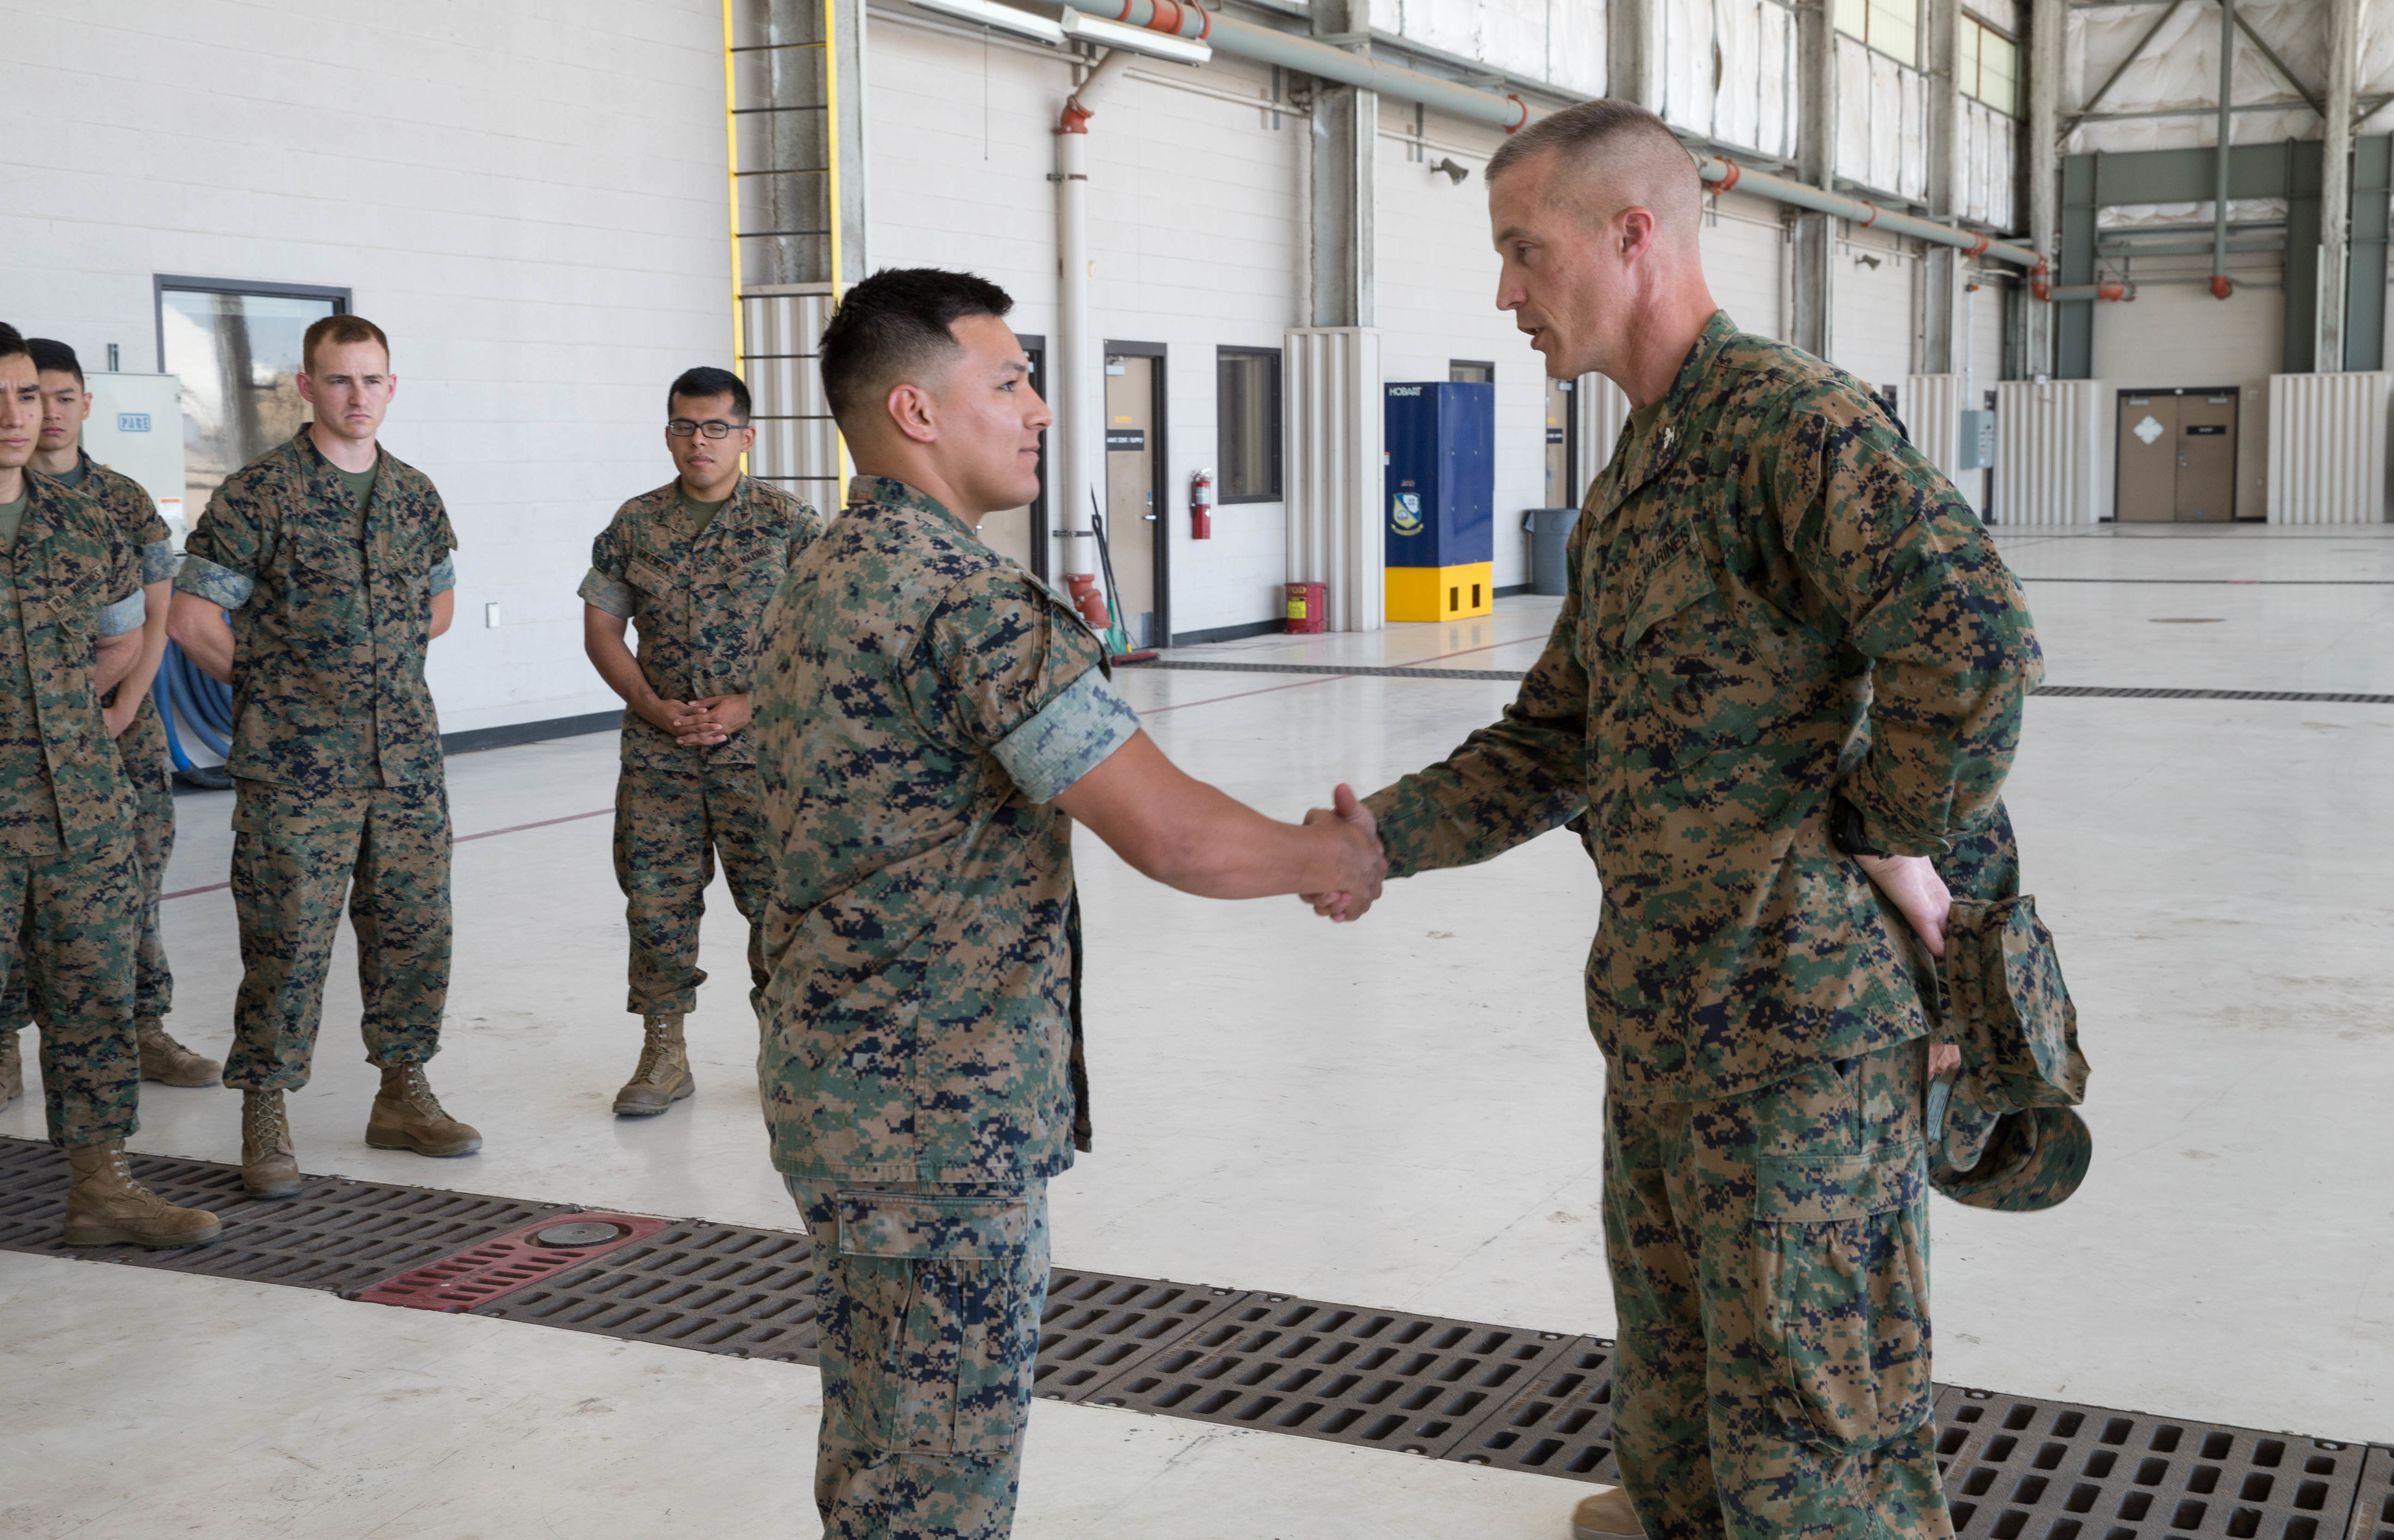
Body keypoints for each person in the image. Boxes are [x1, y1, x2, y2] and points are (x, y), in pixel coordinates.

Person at [1304, 100, 2042, 1540]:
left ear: (1633, 236)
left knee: (1818, 1428)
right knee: (1681, 1385)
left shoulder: (1792, 427)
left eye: (1525, 250)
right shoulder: (1635, 480)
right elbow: (1558, 740)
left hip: (1802, 1036)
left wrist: (1881, 827)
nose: (1504, 292)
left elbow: (1980, 644)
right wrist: (1376, 836)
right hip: (1667, 1023)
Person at [748, 267, 1385, 1540]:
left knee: (887, 1452)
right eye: (1011, 380)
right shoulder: (967, 606)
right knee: (935, 1484)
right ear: (917, 411)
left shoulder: (823, 575)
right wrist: (1341, 857)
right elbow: (1173, 832)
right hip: (938, 1123)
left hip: (846, 1097)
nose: (1039, 409)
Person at [167, 313, 475, 1199]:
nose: (358, 398)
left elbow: (441, 606)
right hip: (296, 771)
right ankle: (265, 1112)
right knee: (286, 941)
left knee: (414, 932)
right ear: (305, 387)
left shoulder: (414, 493)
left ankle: (403, 1092)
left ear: (392, 385)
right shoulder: (260, 495)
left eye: (373, 380)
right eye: (339, 380)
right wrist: (280, 691)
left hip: (405, 763)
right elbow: (193, 621)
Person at [0, 323, 219, 1246]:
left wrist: (65, 703)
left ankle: (103, 1188)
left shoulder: (87, 519)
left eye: (23, 396)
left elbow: (125, 634)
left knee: (93, 996)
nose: (16, 418)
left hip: (80, 803)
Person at [579, 366, 821, 1115]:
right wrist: (651, 706)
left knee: (777, 907)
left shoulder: (789, 524)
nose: (699, 441)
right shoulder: (636, 523)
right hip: (661, 757)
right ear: (668, 434)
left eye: (716, 427)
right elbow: (602, 628)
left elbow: (826, 638)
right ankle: (663, 1057)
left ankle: (787, 1057)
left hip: (763, 756)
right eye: (685, 426)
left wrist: (752, 706)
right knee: (656, 905)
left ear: (747, 437)